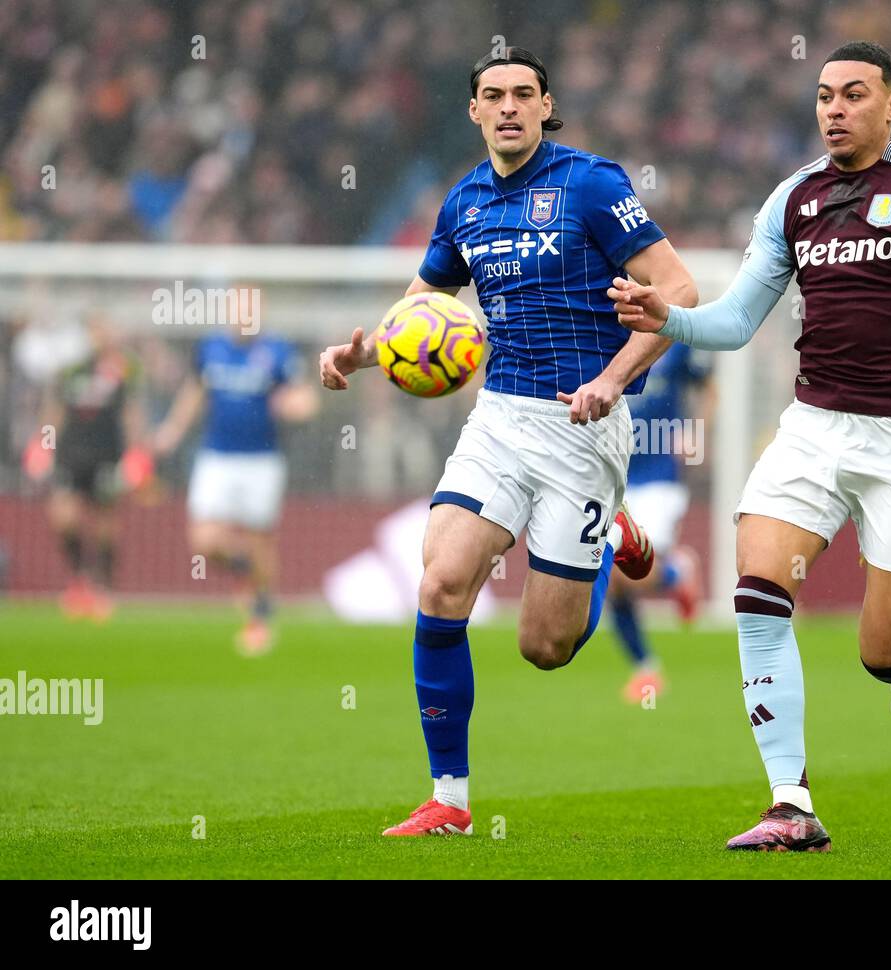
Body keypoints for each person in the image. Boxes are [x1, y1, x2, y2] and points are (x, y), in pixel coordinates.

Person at [609, 41, 891, 851]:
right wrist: (669, 318)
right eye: (824, 95)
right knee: (757, 588)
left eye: (853, 95)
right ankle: (791, 803)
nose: (833, 109)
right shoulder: (793, 199)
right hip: (814, 425)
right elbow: (737, 320)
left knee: (887, 661)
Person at [319, 47, 697, 838]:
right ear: (475, 111)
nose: (509, 107)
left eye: (524, 94)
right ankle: (449, 800)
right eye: (494, 95)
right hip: (498, 418)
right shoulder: (462, 203)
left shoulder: (592, 183)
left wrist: (614, 379)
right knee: (440, 584)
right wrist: (363, 352)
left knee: (545, 648)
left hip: (583, 427)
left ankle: (608, 539)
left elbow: (681, 288)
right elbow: (424, 305)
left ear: (546, 104)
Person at [154, 293, 318, 654]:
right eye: (237, 307)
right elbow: (194, 392)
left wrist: (296, 406)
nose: (243, 315)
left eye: (250, 309)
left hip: (262, 460)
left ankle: (259, 620)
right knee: (205, 540)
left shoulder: (277, 352)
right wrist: (172, 431)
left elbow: (304, 397)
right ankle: (247, 573)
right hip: (217, 456)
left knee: (261, 538)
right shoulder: (211, 348)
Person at [609, 342, 711, 702]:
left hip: (658, 479)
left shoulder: (675, 339)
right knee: (611, 580)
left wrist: (697, 431)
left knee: (632, 573)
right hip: (615, 476)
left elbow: (707, 385)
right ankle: (646, 670)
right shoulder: (602, 329)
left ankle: (676, 573)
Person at [37, 314, 146, 620]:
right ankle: (79, 578)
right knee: (64, 518)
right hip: (71, 455)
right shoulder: (70, 371)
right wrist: (43, 447)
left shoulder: (124, 371)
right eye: (93, 330)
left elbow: (132, 413)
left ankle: (104, 588)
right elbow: (54, 412)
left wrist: (138, 453)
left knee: (106, 525)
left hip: (107, 456)